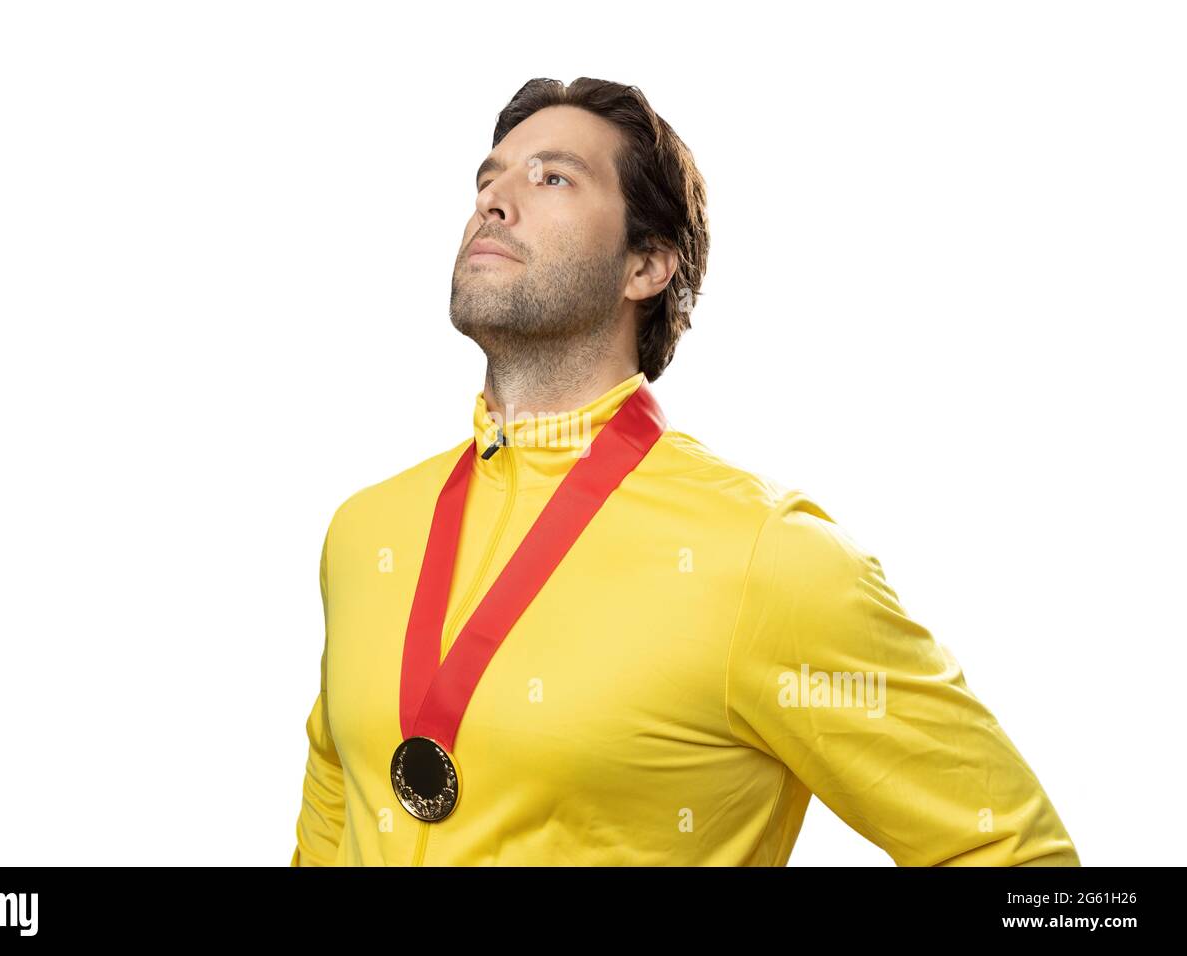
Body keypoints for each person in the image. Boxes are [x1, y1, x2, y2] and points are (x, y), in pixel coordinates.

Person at [289, 77, 1080, 866]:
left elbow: (1017, 858)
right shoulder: (365, 532)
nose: (493, 202)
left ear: (648, 266)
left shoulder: (765, 557)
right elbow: (336, 806)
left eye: (553, 177)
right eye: (487, 180)